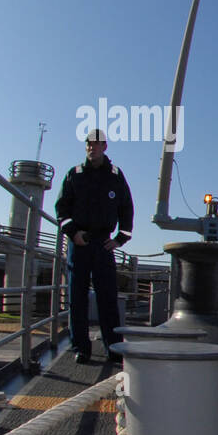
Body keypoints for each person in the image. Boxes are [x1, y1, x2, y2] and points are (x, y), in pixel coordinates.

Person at [54, 128, 134, 364]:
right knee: (76, 296)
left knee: (107, 297)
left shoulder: (115, 176)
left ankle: (113, 348)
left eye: (96, 144)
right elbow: (62, 208)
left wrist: (120, 239)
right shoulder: (74, 175)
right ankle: (81, 347)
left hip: (103, 244)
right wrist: (72, 232)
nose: (92, 147)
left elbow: (127, 208)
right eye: (89, 143)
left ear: (104, 147)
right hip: (79, 243)